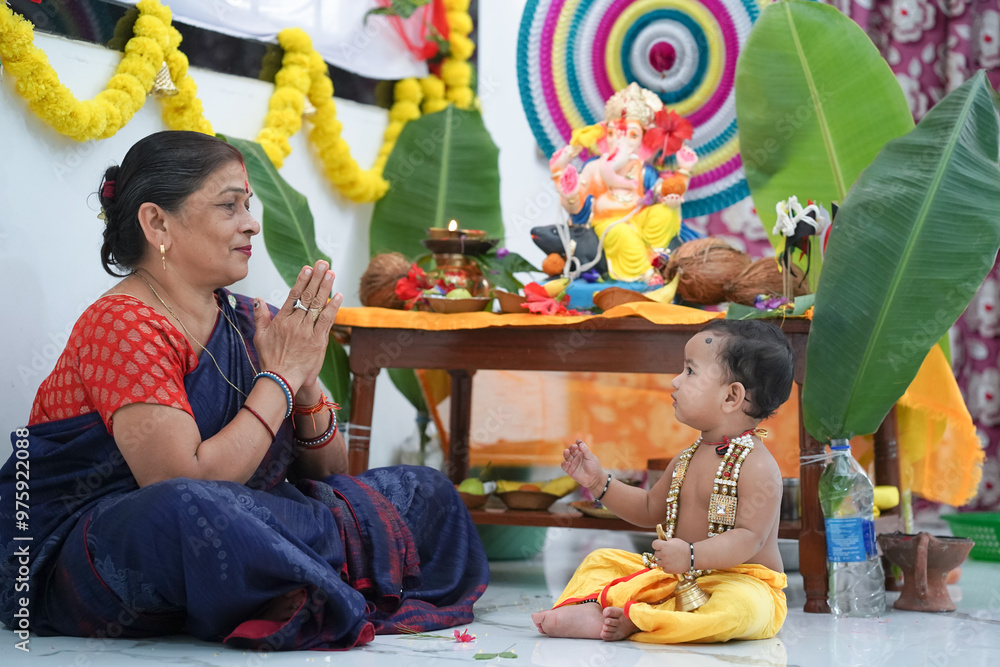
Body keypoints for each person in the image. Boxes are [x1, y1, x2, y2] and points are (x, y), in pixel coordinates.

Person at [0, 131, 488, 651]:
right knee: (187, 509)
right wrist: (279, 378)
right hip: (96, 544)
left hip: (246, 514)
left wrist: (304, 383)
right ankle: (313, 574)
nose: (252, 223)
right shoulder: (122, 323)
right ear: (157, 223)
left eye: (249, 205)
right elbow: (180, 478)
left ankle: (292, 579)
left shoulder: (251, 320)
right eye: (229, 206)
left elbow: (331, 475)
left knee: (426, 491)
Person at [531, 319, 793, 643]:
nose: (675, 380)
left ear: (731, 397)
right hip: (676, 576)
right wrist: (599, 482)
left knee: (741, 607)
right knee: (600, 561)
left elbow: (749, 538)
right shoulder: (685, 458)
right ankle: (626, 614)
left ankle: (640, 618)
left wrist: (692, 555)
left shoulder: (757, 465)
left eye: (690, 371)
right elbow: (648, 508)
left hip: (739, 581)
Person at [548, 82, 698, 283]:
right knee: (621, 233)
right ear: (605, 136)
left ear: (643, 141)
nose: (621, 142)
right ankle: (645, 273)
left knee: (664, 213)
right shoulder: (594, 168)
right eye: (612, 134)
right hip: (608, 223)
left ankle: (660, 256)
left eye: (632, 135)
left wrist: (684, 171)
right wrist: (569, 191)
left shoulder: (642, 170)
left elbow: (664, 191)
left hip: (640, 220)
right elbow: (576, 210)